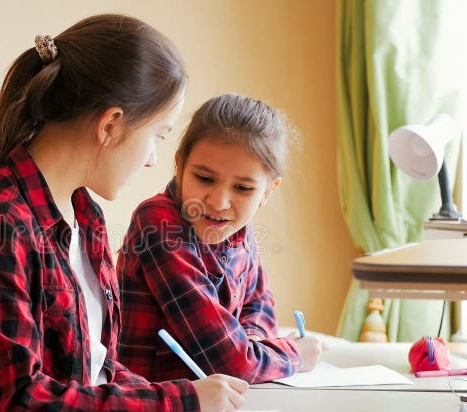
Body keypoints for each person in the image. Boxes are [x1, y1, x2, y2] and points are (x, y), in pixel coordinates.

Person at [0, 15, 248, 412]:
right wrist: (179, 400)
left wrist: (182, 402)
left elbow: (98, 369)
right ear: (110, 125)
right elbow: (18, 405)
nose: (153, 160)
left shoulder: (87, 216)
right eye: (157, 134)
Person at [117, 93, 323, 384]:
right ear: (180, 164)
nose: (219, 202)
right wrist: (294, 355)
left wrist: (252, 341)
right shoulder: (159, 224)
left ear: (268, 191)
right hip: (157, 409)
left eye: (242, 188)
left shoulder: (237, 228)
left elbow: (259, 304)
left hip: (213, 403)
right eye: (204, 179)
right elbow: (231, 363)